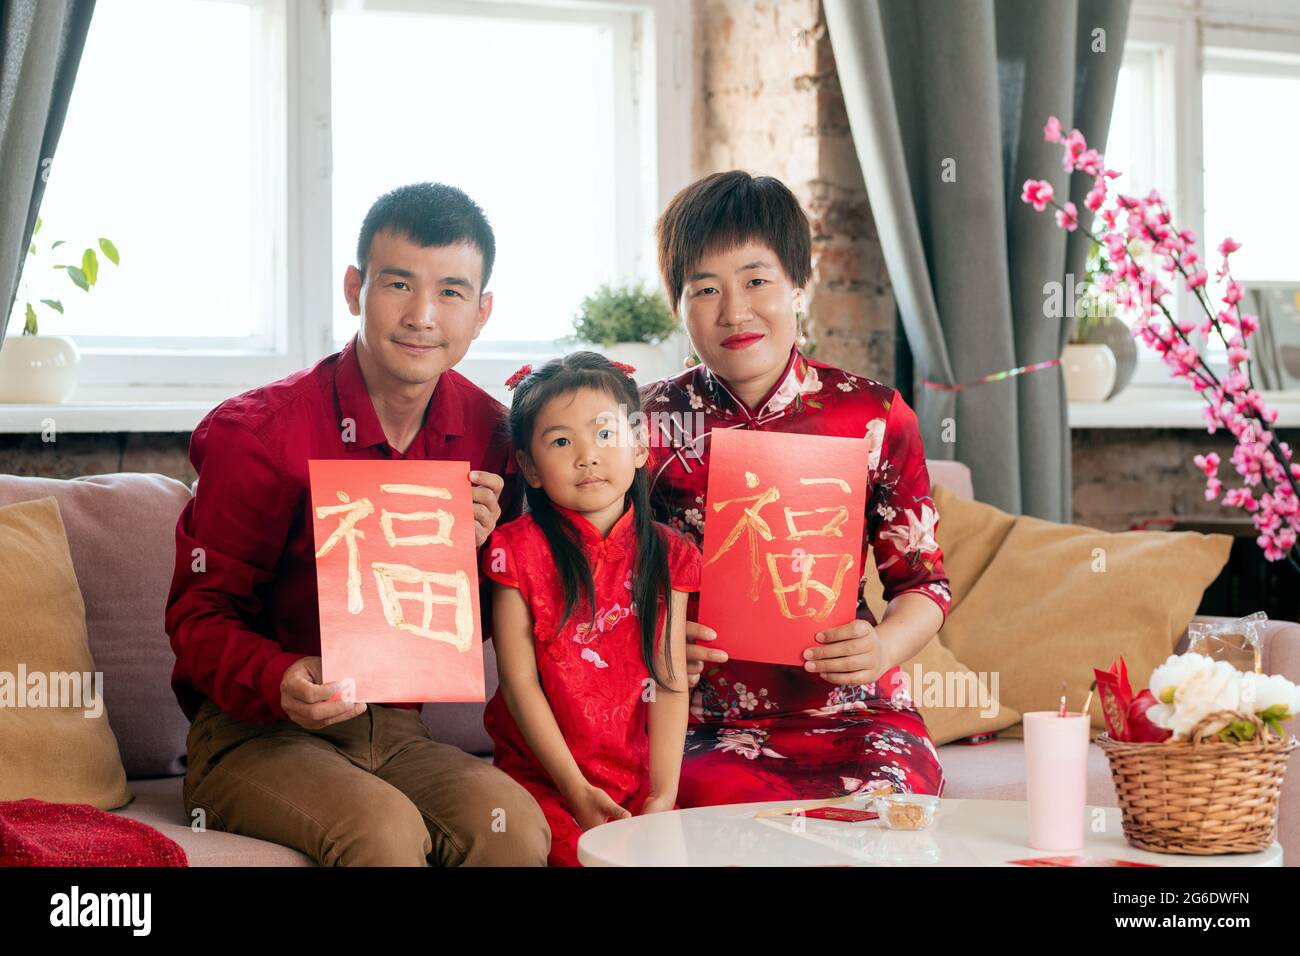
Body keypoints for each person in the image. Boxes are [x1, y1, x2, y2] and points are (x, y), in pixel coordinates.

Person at [165, 182, 550, 866]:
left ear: (482, 311)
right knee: (383, 831)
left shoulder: (493, 437)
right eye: (397, 283)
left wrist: (479, 558)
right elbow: (198, 615)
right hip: (254, 731)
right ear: (354, 288)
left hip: (396, 729)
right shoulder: (256, 435)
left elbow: (490, 627)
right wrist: (280, 677)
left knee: (512, 826)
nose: (422, 316)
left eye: (452, 292)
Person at [640, 170, 953, 806]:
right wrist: (656, 638)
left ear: (796, 284)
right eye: (705, 289)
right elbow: (593, 581)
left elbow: (923, 585)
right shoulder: (640, 425)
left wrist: (880, 648)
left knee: (887, 814)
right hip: (695, 721)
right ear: (678, 304)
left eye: (757, 280)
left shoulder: (873, 415)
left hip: (853, 714)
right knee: (702, 815)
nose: (735, 311)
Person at [481, 351, 698, 866]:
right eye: (561, 441)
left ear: (640, 444)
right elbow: (519, 684)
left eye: (605, 434)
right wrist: (575, 790)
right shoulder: (514, 551)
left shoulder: (670, 554)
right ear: (530, 468)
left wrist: (663, 795)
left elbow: (669, 679)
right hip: (544, 777)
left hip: (638, 780)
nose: (588, 455)